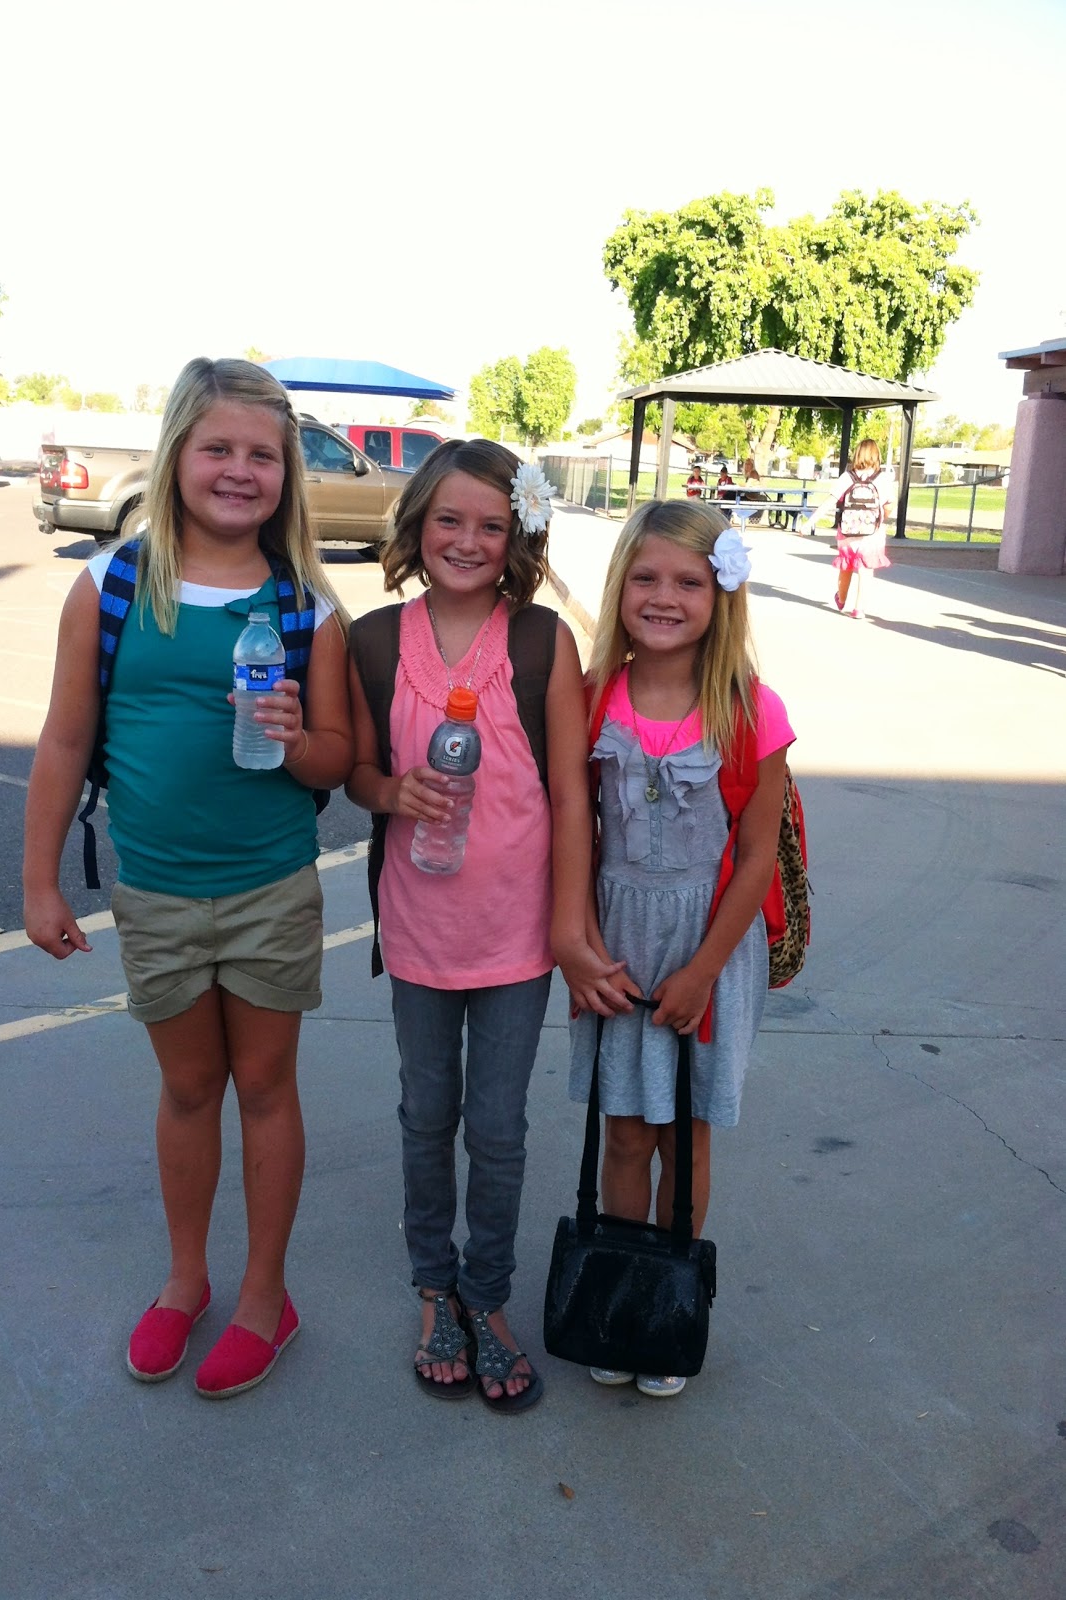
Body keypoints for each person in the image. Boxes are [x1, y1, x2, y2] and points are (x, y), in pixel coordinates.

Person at [23, 357, 352, 1400]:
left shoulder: (306, 605)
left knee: (264, 1086)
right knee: (187, 1086)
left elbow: (335, 762)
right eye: (218, 448)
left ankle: (264, 1294)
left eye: (263, 454)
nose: (239, 470)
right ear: (176, 455)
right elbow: (64, 739)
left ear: (287, 474)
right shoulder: (112, 585)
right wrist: (39, 882)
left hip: (270, 888)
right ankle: (184, 1279)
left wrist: (297, 737)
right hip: (156, 892)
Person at [345, 441, 589, 1413]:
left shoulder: (541, 642)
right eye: (448, 519)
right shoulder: (374, 641)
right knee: (424, 1116)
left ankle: (486, 1297)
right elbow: (356, 772)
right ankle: (431, 1288)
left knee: (496, 1128)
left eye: (491, 524)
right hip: (418, 928)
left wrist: (569, 926)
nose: (467, 540)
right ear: (415, 525)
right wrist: (390, 791)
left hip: (516, 937)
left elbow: (569, 795)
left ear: (517, 534)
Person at [552, 500, 792, 1399]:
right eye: (646, 578)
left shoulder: (750, 711)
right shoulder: (589, 699)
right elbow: (571, 829)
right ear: (620, 587)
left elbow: (758, 855)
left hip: (708, 943)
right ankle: (620, 1297)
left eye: (688, 581)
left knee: (684, 1137)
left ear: (720, 593)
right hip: (616, 939)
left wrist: (700, 972)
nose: (664, 597)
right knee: (622, 1129)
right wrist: (579, 946)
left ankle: (667, 1308)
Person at [803, 437, 895, 619]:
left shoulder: (847, 477)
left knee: (846, 565)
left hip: (847, 532)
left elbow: (830, 501)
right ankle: (859, 608)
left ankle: (841, 598)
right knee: (866, 568)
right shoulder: (882, 479)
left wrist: (810, 522)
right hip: (872, 532)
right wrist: (882, 516)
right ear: (877, 456)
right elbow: (889, 505)